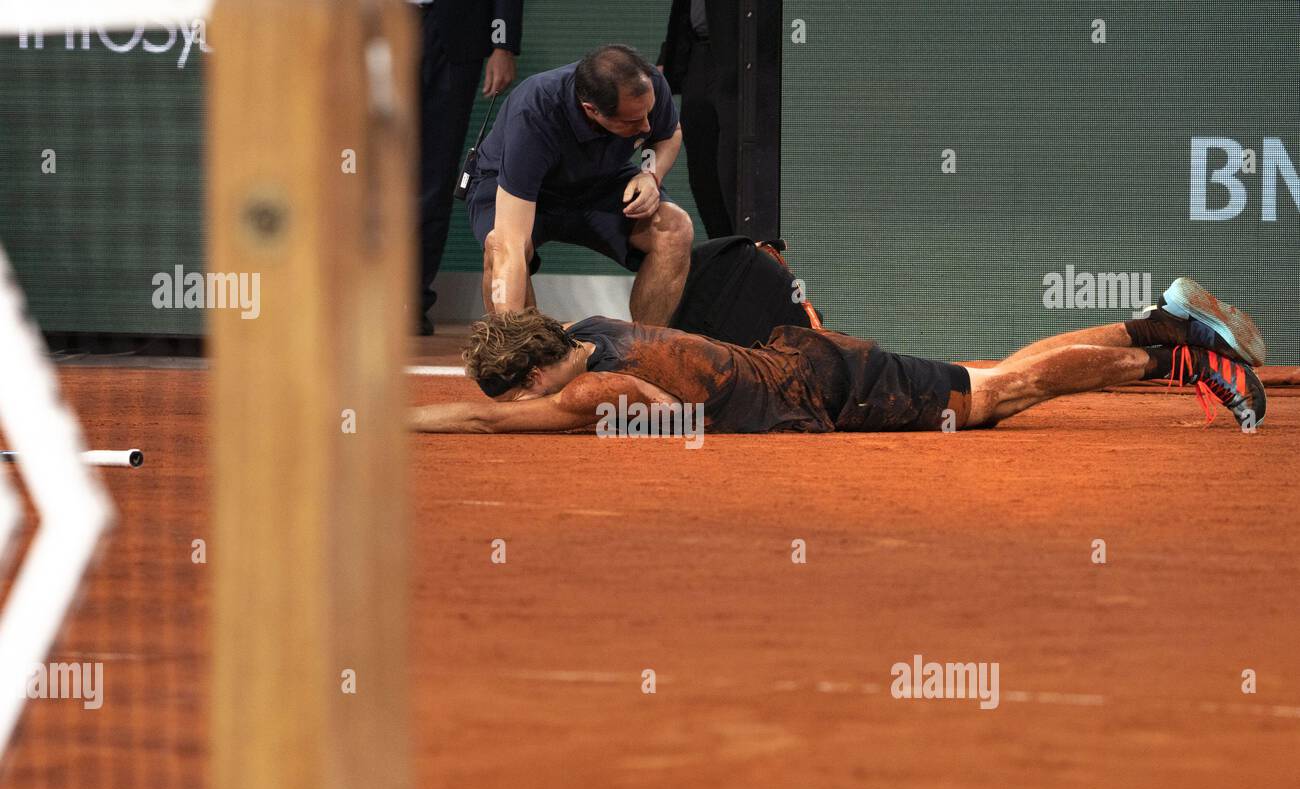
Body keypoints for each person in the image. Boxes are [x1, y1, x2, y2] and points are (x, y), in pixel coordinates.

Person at [409, 278, 1267, 434]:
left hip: (826, 388)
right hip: (809, 367)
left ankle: (1173, 343)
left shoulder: (587, 389)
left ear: (530, 375)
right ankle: (1155, 331)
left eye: (520, 391)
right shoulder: (591, 326)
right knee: (996, 382)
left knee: (1003, 392)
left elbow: (492, 422)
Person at [466, 44, 694, 325]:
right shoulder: (535, 114)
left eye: (649, 113)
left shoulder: (648, 85)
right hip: (523, 189)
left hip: (601, 182)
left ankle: (644, 350)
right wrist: (512, 335)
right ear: (592, 111)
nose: (647, 126)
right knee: (497, 244)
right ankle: (522, 355)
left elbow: (670, 133)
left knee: (675, 228)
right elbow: (509, 243)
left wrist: (651, 174)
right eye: (634, 120)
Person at [416, 0, 523, 335]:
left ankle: (411, 300)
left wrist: (503, 43)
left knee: (435, 172)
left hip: (453, 32)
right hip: (369, 26)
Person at [658, 0, 739, 239]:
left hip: (743, 56)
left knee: (736, 166)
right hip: (698, 55)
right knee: (704, 171)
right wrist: (667, 55)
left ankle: (753, 257)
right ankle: (726, 251)